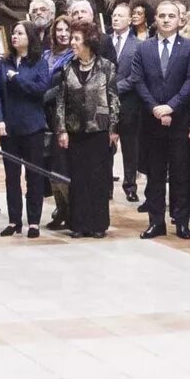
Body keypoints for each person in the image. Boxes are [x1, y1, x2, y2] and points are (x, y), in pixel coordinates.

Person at [121, 1, 190, 239]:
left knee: (180, 173)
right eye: (162, 16)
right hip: (151, 120)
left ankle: (181, 222)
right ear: (155, 19)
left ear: (180, 20)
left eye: (171, 16)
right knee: (155, 174)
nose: (166, 20)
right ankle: (156, 222)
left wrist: (171, 106)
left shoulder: (189, 47)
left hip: (179, 120)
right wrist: (156, 108)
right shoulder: (143, 48)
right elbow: (137, 80)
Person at [0, 20, 65, 238]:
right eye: (13, 33)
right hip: (10, 127)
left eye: (20, 33)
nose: (15, 36)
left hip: (32, 127)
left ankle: (34, 222)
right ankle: (13, 220)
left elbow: (39, 90)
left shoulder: (39, 63)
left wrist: (16, 79)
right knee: (11, 177)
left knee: (34, 176)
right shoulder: (5, 62)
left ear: (30, 38)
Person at [52, 16, 118, 236]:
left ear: (88, 41)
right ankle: (78, 224)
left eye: (76, 39)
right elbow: (61, 100)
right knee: (78, 178)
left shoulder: (106, 67)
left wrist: (113, 129)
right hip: (74, 129)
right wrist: (61, 129)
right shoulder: (67, 67)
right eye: (72, 38)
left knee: (98, 178)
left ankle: (98, 225)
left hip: (99, 129)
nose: (72, 42)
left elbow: (113, 98)